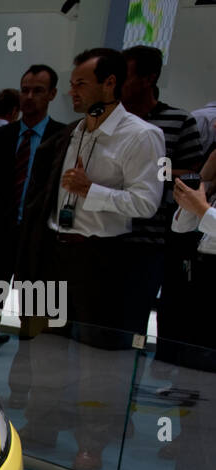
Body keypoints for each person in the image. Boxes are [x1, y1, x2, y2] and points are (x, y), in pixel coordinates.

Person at [13, 48, 164, 470]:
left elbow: (146, 203)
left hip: (102, 258)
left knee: (98, 361)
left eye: (81, 83)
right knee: (48, 348)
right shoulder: (77, 131)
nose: (73, 92)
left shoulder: (141, 135)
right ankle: (41, 427)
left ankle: (92, 444)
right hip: (56, 250)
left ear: (109, 83)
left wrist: (90, 190)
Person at [120, 46, 203, 361]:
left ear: (148, 78)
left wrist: (148, 170)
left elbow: (193, 176)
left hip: (155, 239)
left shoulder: (179, 120)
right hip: (109, 235)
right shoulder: (114, 120)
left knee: (139, 317)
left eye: (125, 76)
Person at [147, 156, 216, 470]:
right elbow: (182, 228)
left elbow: (204, 219)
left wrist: (202, 209)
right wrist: (198, 193)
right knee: (193, 397)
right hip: (199, 297)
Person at [0, 65, 65, 283]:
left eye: (38, 90)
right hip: (0, 235)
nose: (29, 96)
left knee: (36, 312)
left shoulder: (63, 137)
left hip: (41, 239)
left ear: (52, 94)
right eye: (24, 90)